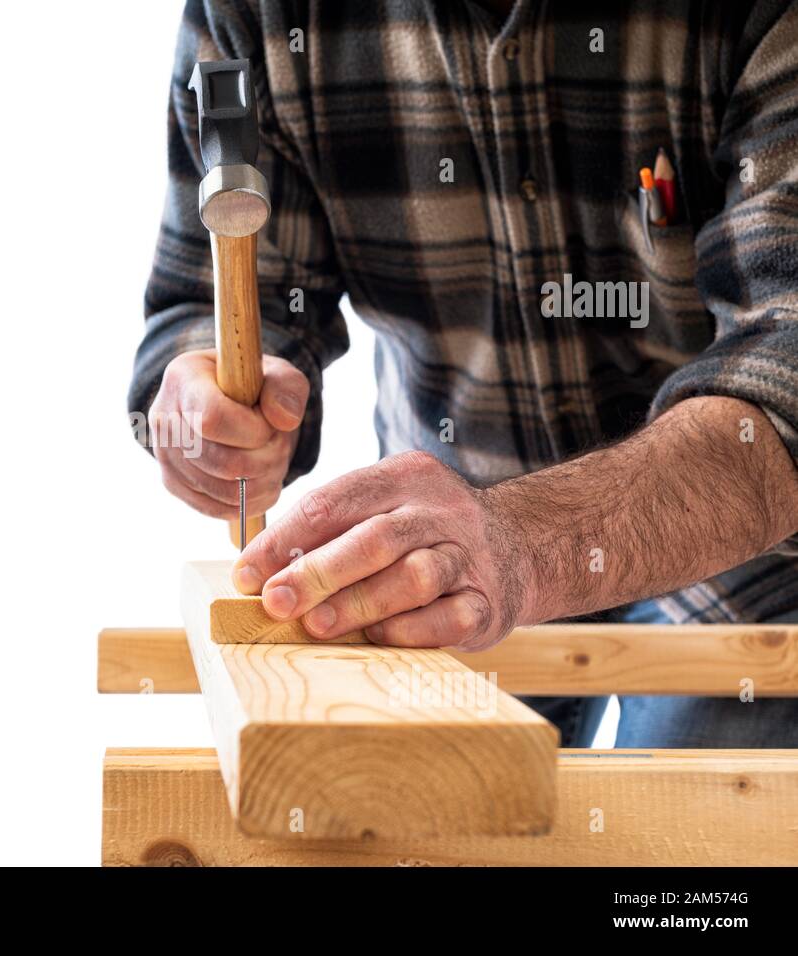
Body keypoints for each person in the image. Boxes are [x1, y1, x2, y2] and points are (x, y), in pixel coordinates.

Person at [128, 0, 798, 747]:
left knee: (697, 830)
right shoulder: (256, 14)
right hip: (443, 562)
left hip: (743, 554)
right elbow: (211, 298)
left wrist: (523, 543)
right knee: (424, 826)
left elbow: (787, 373)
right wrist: (206, 400)